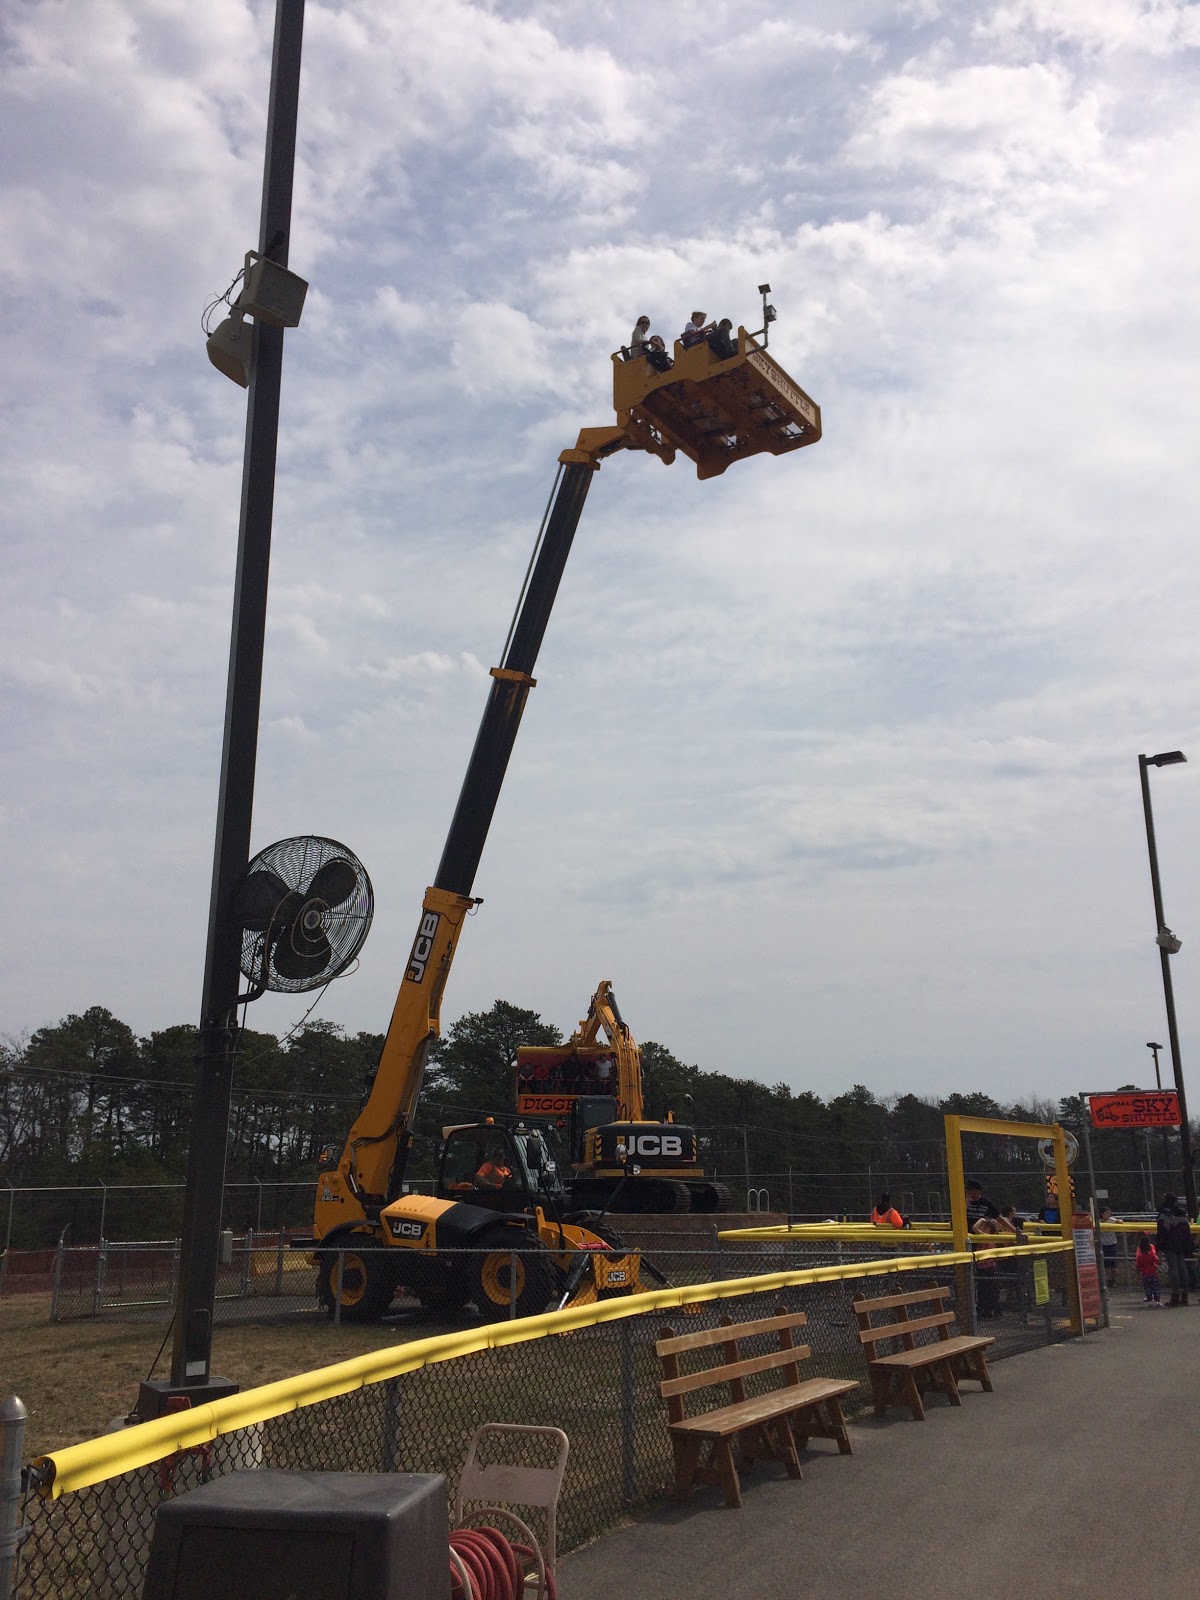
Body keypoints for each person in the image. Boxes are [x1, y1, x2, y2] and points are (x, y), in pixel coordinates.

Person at [1155, 1192, 1194, 1306]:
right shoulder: (1181, 1212)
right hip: (1181, 1243)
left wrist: (1159, 1246)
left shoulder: (1164, 1213)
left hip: (1169, 1243)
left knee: (1173, 1269)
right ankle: (1185, 1295)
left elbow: (1162, 1231)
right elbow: (1186, 1230)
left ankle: (1175, 1295)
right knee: (1182, 1268)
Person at [972, 1215, 1002, 1318]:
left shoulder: (988, 1237)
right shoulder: (983, 1238)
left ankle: (990, 1311)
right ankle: (985, 1311)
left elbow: (974, 1228)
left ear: (988, 1229)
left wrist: (981, 1219)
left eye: (983, 1227)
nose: (981, 1229)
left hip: (988, 1268)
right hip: (981, 1268)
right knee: (983, 1290)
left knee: (989, 1291)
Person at [1135, 1232, 1162, 1306]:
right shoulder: (1151, 1256)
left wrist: (1137, 1274)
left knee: (1148, 1288)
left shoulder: (1140, 1258)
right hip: (1153, 1274)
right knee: (1155, 1288)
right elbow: (1159, 1262)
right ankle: (1157, 1301)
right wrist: (1160, 1257)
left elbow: (1137, 1267)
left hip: (1145, 1275)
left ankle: (1149, 1300)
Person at [1098, 1205, 1118, 1290]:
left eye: (1109, 1213)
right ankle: (1106, 1280)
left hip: (1112, 1244)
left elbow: (1119, 1222)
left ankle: (1113, 1280)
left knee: (1113, 1264)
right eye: (1106, 1213)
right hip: (1104, 1245)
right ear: (1102, 1214)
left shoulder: (1112, 1220)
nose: (1108, 1214)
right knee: (1105, 1264)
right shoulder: (1099, 1222)